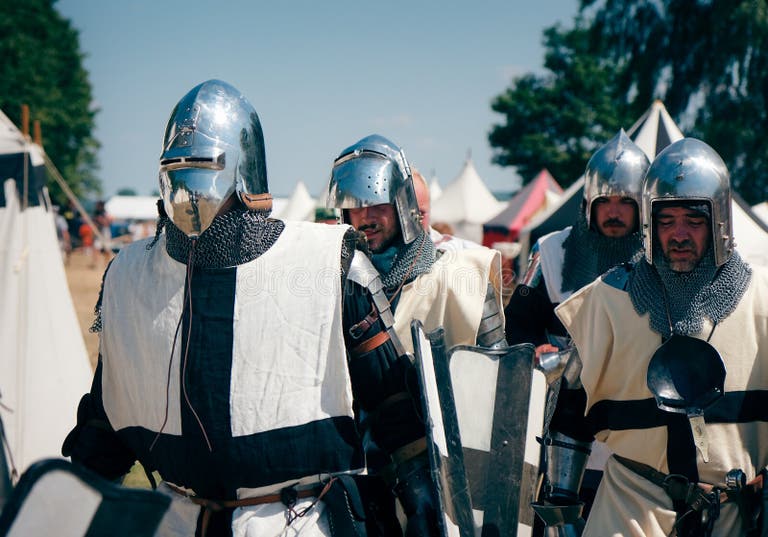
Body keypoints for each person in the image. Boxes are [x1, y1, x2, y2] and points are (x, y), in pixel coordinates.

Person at [61, 80, 439, 537]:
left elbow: (394, 406)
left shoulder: (329, 263)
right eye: (177, 166)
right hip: (178, 520)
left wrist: (422, 506)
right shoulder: (128, 276)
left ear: (242, 173)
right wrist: (72, 507)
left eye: (202, 166)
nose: (188, 186)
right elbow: (107, 418)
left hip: (296, 521)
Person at [546, 137, 768, 536]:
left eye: (693, 221)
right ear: (650, 224)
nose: (679, 234)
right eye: (666, 221)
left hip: (732, 515)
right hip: (629, 508)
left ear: (719, 222)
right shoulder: (607, 301)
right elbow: (569, 412)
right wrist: (563, 510)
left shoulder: (762, 303)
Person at [508, 130, 650, 524]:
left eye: (626, 202)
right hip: (563, 439)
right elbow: (518, 326)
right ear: (589, 203)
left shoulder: (660, 259)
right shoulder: (551, 252)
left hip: (635, 433)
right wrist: (535, 352)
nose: (615, 212)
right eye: (606, 201)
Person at [326, 134, 506, 352]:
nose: (366, 217)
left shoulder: (464, 278)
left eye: (378, 204)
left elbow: (499, 368)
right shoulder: (336, 281)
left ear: (401, 205)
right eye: (355, 206)